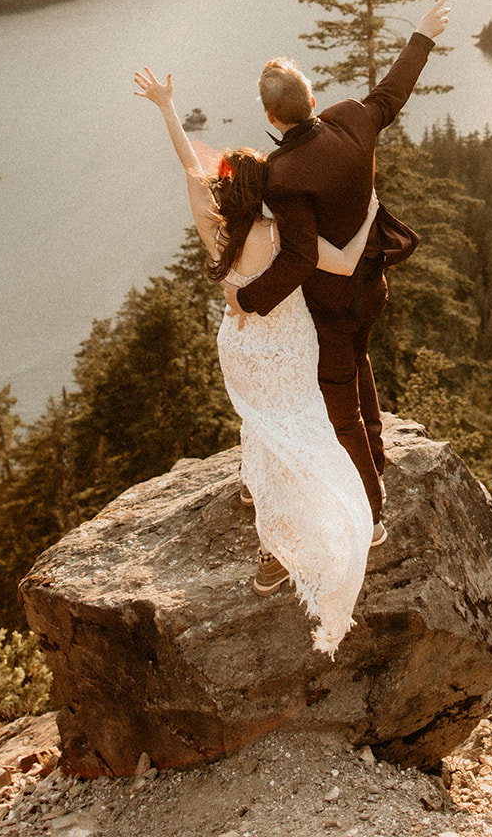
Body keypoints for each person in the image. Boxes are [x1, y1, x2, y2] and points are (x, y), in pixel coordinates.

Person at [134, 65, 379, 657]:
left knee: (263, 426)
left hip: (241, 349)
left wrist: (167, 106)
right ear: (264, 188)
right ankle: (277, 555)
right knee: (300, 429)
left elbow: (188, 164)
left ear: (225, 191)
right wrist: (370, 211)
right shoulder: (282, 233)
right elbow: (343, 265)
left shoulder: (214, 228)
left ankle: (257, 497)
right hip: (290, 344)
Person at [224, 0, 450, 532]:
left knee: (338, 407)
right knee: (362, 361)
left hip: (331, 305)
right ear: (313, 97)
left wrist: (247, 299)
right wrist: (422, 35)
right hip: (373, 288)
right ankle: (377, 451)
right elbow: (392, 93)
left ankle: (369, 517)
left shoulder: (282, 174)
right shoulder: (350, 120)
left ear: (271, 117)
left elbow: (301, 257)